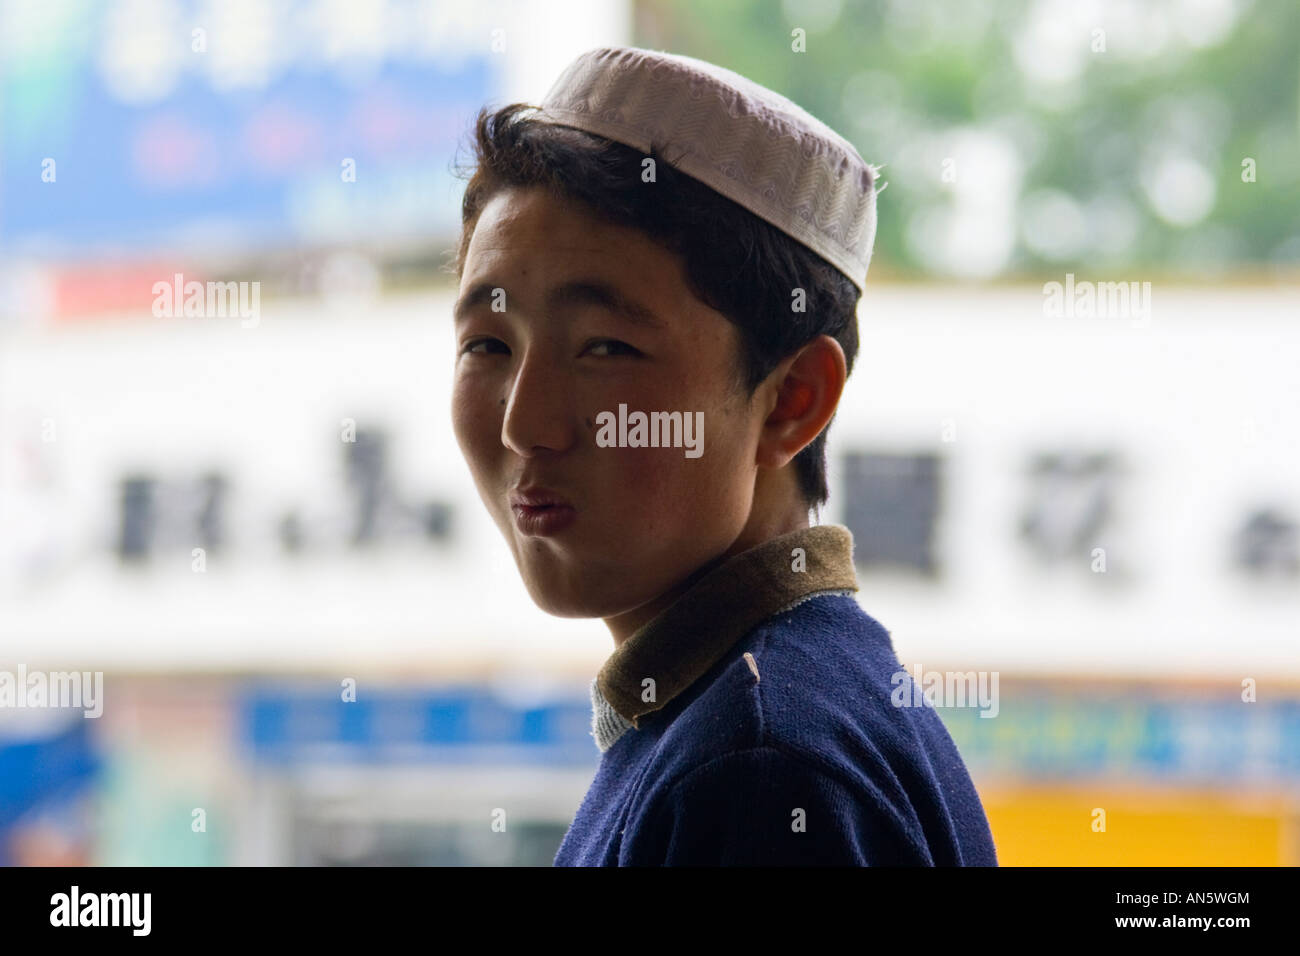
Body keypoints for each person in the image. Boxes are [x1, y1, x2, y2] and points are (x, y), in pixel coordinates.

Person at [450, 45, 997, 866]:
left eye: (605, 348)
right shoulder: (755, 709)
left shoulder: (759, 768)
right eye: (488, 345)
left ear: (792, 401)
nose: (526, 424)